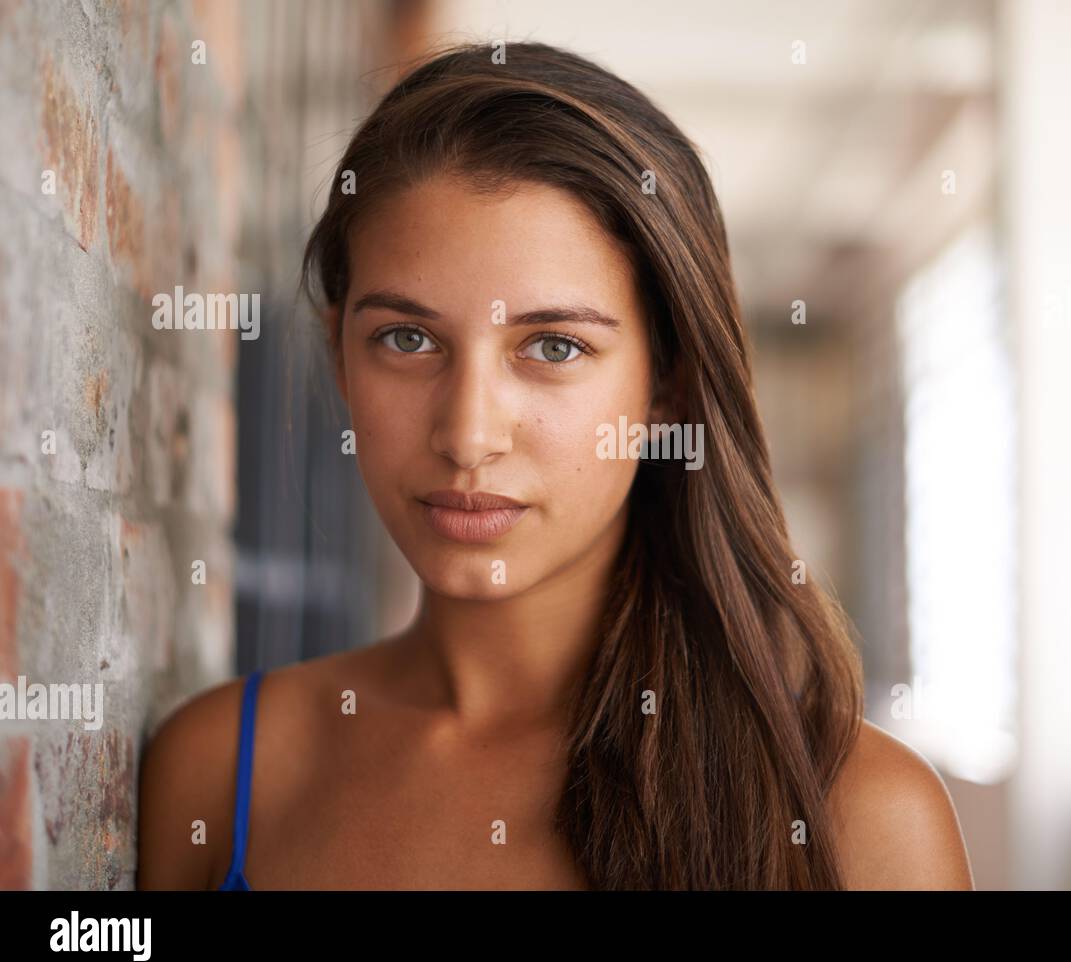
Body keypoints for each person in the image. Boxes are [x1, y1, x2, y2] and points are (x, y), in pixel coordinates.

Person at [137, 40, 973, 891]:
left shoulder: (861, 819)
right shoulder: (216, 773)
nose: (468, 436)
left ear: (667, 386)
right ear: (340, 354)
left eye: (552, 346)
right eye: (407, 338)